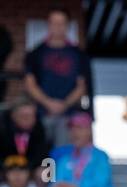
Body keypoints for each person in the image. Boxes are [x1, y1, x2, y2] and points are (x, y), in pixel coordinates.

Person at [23, 8, 91, 139]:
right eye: (54, 23)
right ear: (48, 25)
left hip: (69, 116)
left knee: (64, 157)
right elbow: (29, 84)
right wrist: (48, 103)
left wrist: (64, 104)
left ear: (67, 26)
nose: (58, 27)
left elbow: (82, 86)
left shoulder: (79, 54)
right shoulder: (35, 53)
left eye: (61, 23)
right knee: (42, 157)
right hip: (40, 115)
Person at [48, 111, 119, 187]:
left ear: (89, 131)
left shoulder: (100, 156)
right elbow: (54, 181)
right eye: (72, 129)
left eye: (80, 128)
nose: (75, 133)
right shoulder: (64, 158)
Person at [0, 98, 52, 173]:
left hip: (31, 168)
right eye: (23, 116)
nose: (27, 119)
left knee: (43, 172)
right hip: (6, 168)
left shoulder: (40, 130)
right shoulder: (3, 129)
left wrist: (26, 168)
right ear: (13, 116)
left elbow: (42, 156)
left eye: (31, 116)